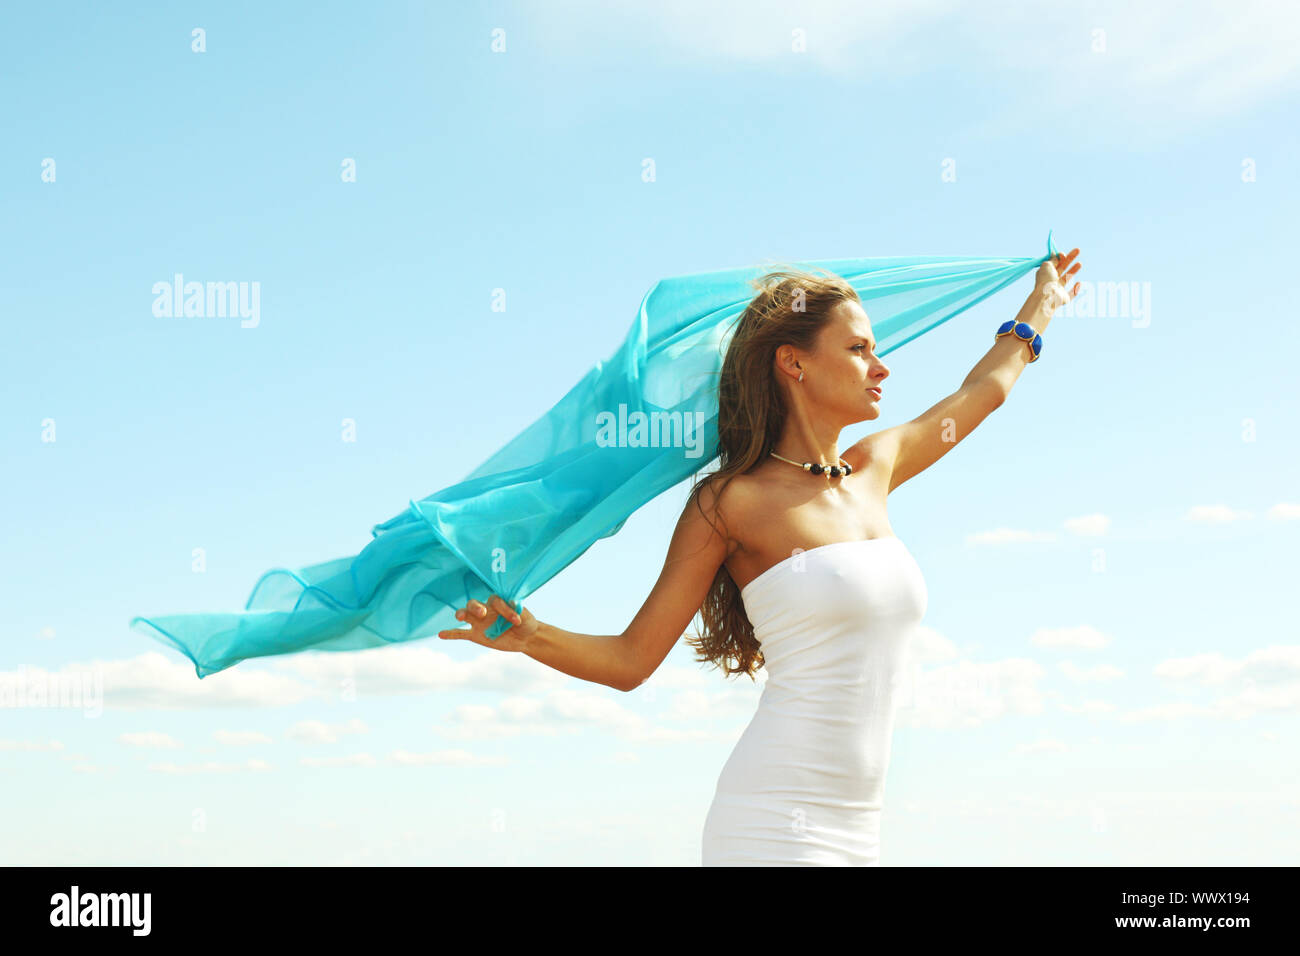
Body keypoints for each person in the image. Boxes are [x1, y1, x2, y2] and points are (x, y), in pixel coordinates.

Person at [438, 248, 1083, 865]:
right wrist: (532, 635)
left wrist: (1040, 309)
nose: (881, 367)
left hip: (860, 827)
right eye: (858, 349)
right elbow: (632, 661)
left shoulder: (874, 469)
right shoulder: (729, 503)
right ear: (792, 363)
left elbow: (983, 393)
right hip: (771, 824)